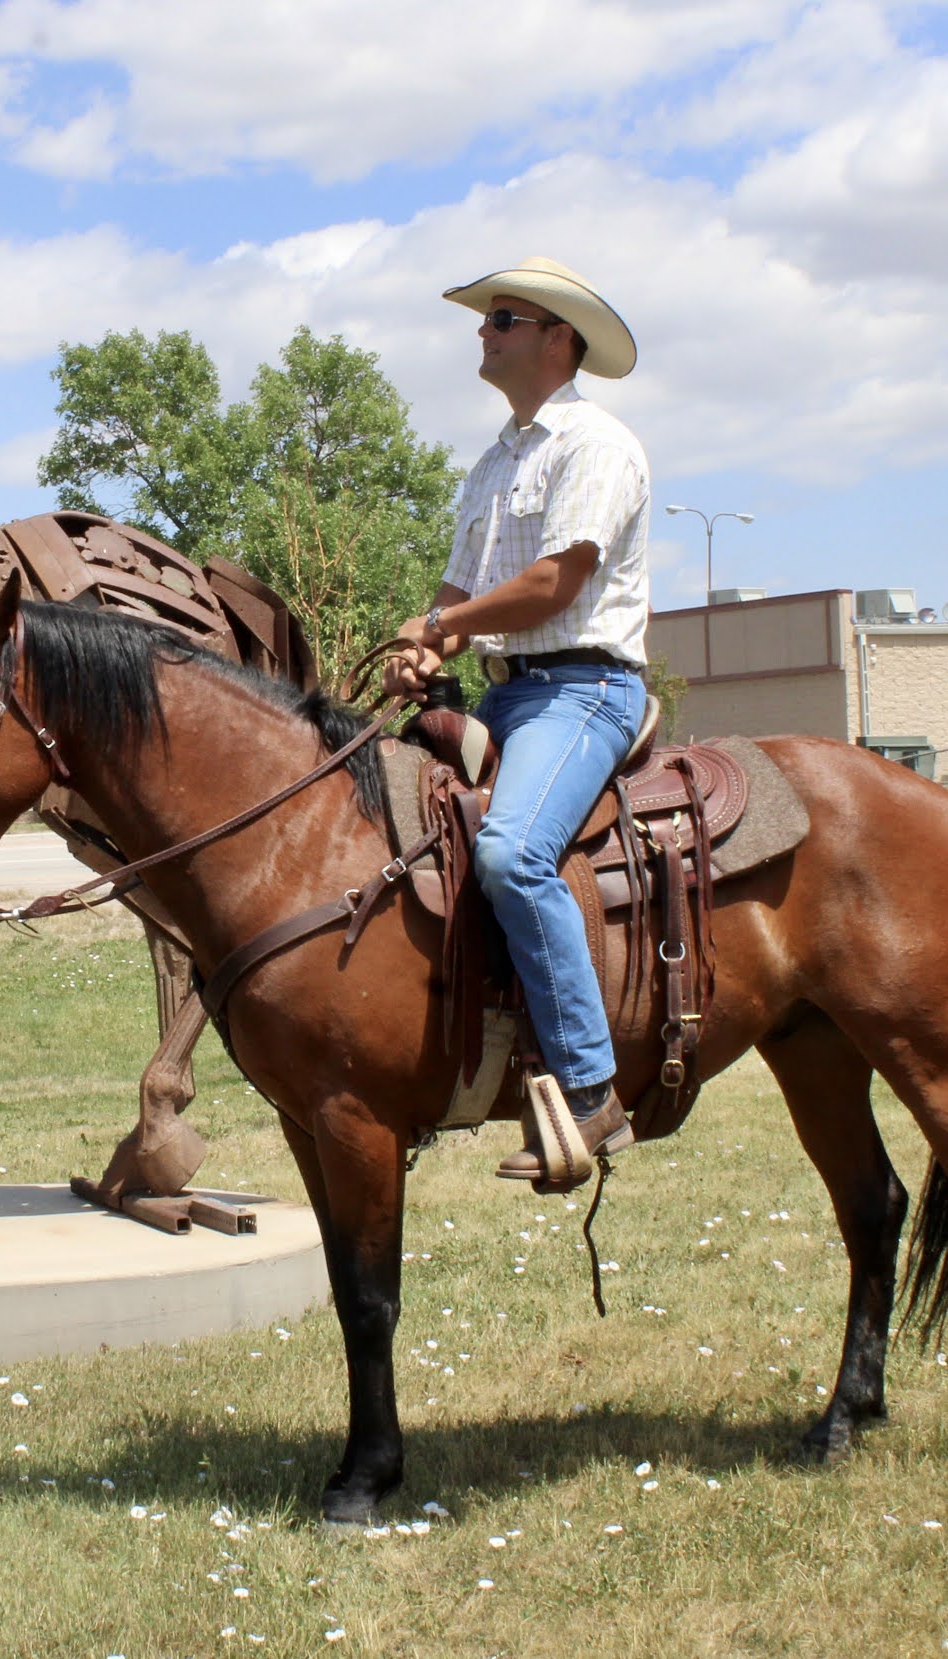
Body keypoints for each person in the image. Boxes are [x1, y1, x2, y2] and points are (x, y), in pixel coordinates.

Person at [384, 256, 650, 1181]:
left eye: (503, 318)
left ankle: (591, 1096)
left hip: (585, 692)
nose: (484, 332)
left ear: (555, 339)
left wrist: (444, 624)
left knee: (510, 854)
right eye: (487, 319)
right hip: (505, 690)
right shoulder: (493, 462)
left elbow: (554, 584)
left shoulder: (597, 446)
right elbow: (459, 591)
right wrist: (428, 648)